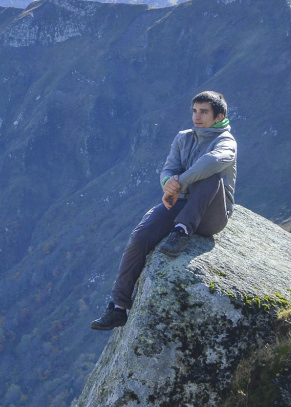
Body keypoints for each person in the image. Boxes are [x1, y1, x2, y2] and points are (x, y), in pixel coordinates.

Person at [89, 91, 236, 331]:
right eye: (195, 111)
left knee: (211, 178)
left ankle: (182, 230)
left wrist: (180, 182)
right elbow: (168, 168)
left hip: (211, 214)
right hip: (181, 203)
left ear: (219, 116)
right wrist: (168, 183)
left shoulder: (226, 141)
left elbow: (213, 162)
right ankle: (117, 307)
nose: (197, 117)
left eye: (204, 112)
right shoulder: (183, 138)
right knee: (140, 237)